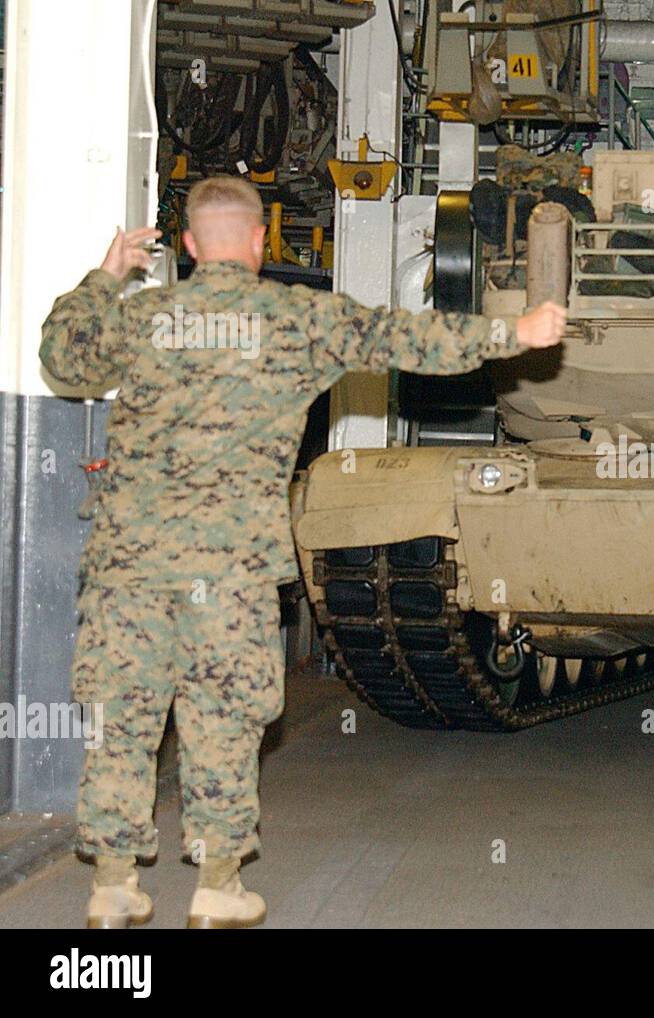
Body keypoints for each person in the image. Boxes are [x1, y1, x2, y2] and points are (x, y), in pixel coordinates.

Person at [39, 175, 566, 929]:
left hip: (131, 568)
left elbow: (62, 360)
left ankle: (114, 885)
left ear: (187, 247)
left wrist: (107, 274)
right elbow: (407, 339)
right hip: (230, 572)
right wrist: (515, 334)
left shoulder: (145, 315)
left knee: (124, 719)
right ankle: (218, 884)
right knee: (223, 717)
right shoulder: (296, 318)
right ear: (259, 244)